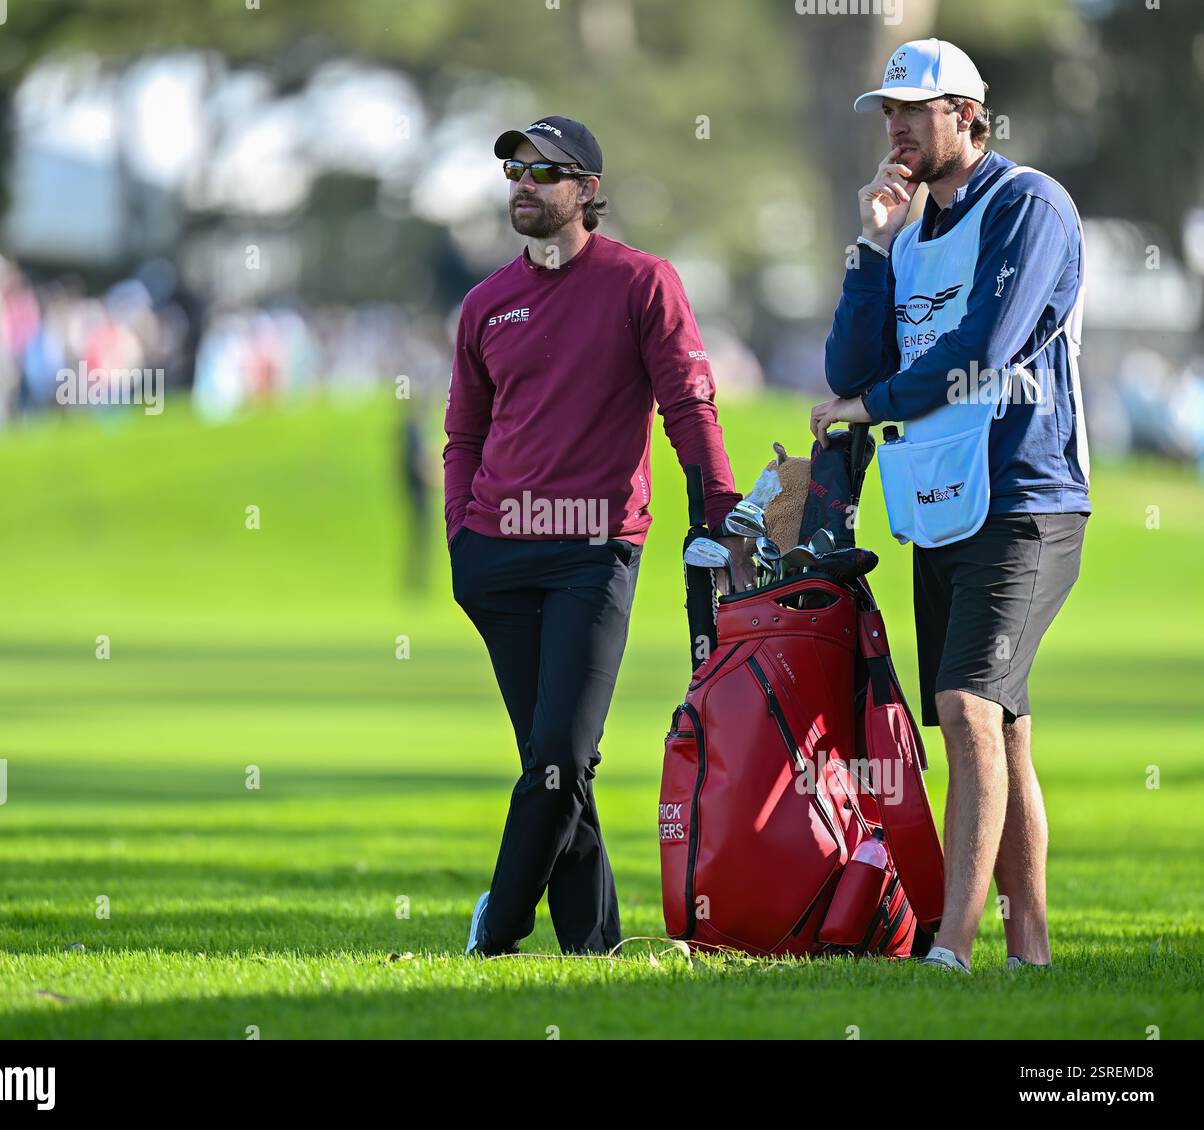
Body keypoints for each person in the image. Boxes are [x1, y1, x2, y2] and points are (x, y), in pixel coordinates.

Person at [812, 40, 1090, 973]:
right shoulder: (913, 229)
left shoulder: (1031, 204)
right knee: (1001, 723)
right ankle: (1032, 954)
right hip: (942, 502)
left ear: (969, 116)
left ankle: (953, 947)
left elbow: (987, 345)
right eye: (886, 110)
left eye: (913, 110)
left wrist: (871, 408)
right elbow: (851, 366)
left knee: (967, 700)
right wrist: (872, 246)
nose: (894, 127)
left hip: (1029, 496)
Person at [444, 116, 749, 956]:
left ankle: (496, 931)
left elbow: (689, 406)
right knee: (555, 762)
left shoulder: (642, 284)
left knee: (561, 754)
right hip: (496, 557)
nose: (522, 184)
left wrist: (719, 518)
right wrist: (458, 536)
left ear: (587, 191)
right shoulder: (484, 304)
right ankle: (593, 946)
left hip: (595, 550)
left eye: (544, 172)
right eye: (513, 170)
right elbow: (463, 436)